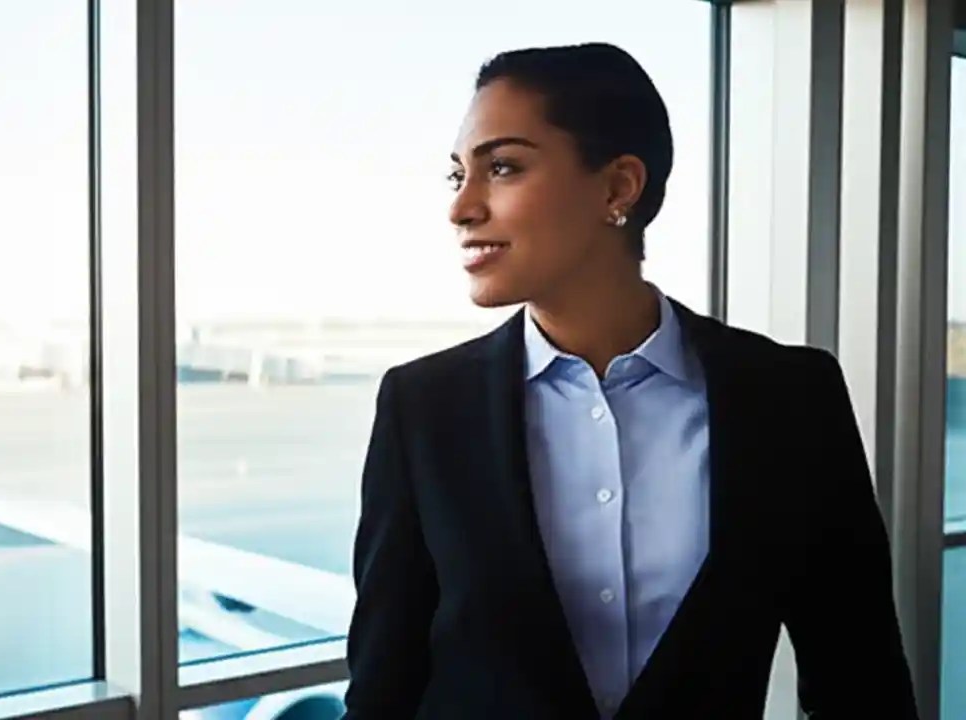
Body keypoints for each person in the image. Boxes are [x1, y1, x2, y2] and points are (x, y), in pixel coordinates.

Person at [342, 43, 919, 720]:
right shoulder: (423, 408)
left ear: (618, 188)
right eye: (457, 174)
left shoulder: (790, 399)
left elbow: (863, 681)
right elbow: (382, 692)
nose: (462, 207)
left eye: (502, 167)